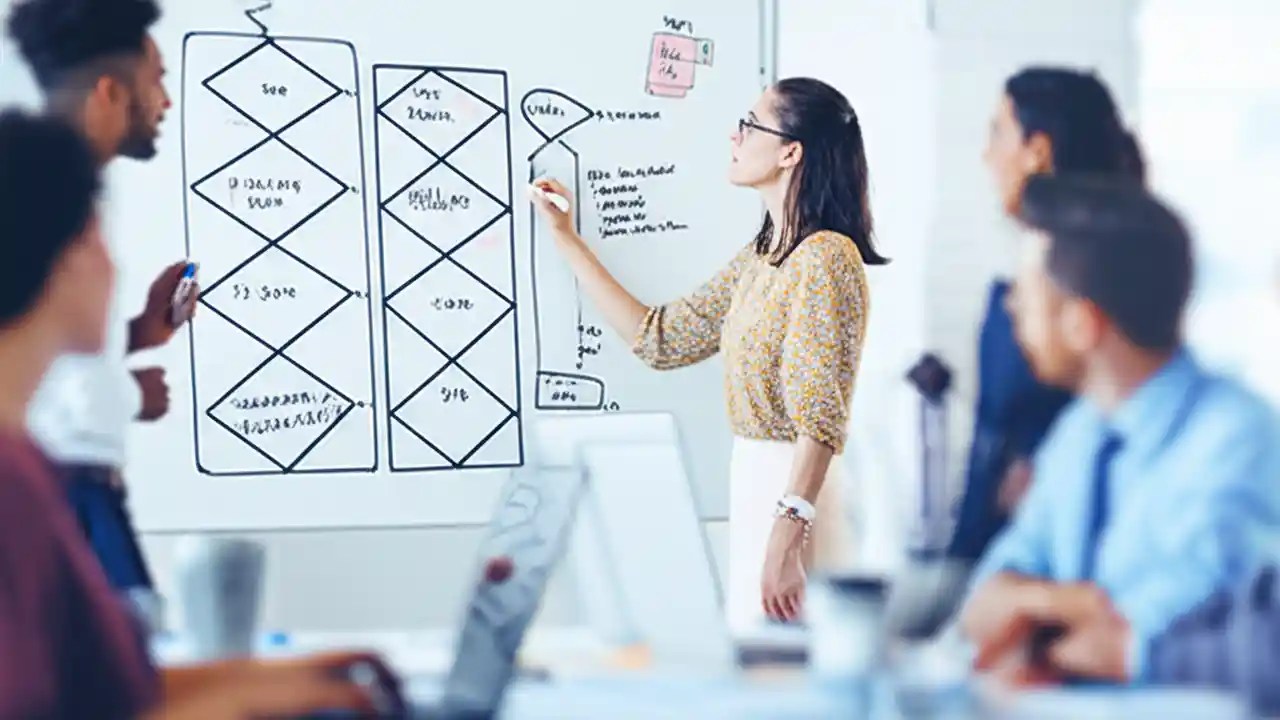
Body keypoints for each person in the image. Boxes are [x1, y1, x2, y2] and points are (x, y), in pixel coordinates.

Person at [0, 109, 396, 720]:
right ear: (73, 254)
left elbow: (99, 694)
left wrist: (272, 681)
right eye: (100, 236)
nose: (113, 265)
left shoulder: (25, 468)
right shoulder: (14, 485)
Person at [531, 77, 889, 632]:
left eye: (750, 124)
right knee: (757, 658)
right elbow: (660, 339)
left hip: (795, 497)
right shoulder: (764, 255)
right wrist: (565, 237)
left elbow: (821, 417)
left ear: (790, 152)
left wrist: (787, 533)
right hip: (758, 486)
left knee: (783, 666)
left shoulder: (825, 258)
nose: (734, 135)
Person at [960, 174, 1280, 685]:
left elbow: (1167, 632)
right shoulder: (1079, 432)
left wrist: (1039, 623)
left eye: (1028, 293)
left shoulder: (1239, 437)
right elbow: (984, 606)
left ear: (1082, 325)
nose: (1012, 306)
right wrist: (1060, 603)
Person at [7, 0, 197, 595]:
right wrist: (129, 395)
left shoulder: (63, 190)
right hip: (62, 497)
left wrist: (139, 336)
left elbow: (42, 344)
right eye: (156, 80)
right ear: (111, 93)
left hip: (73, 494)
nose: (166, 101)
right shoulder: (35, 193)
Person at [948, 67, 1144, 562]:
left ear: (1037, 151)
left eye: (999, 133)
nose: (987, 155)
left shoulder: (1085, 276)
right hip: (1005, 553)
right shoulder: (1030, 259)